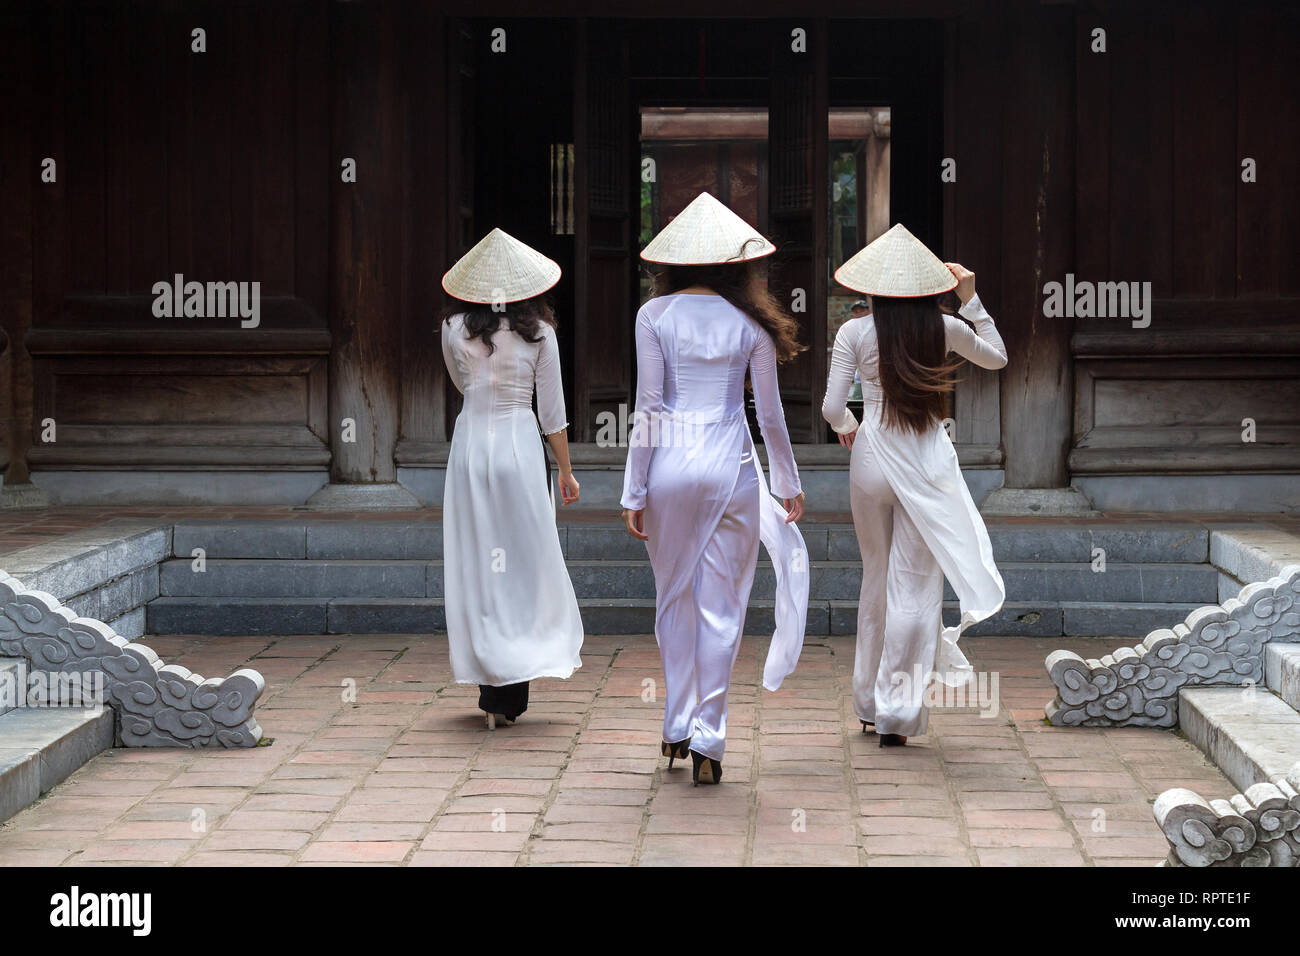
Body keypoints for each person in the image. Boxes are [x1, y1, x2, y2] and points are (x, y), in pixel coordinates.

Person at [621, 192, 809, 786]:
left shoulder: (654, 317)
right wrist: (787, 482)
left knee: (674, 598)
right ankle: (710, 739)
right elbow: (771, 418)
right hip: (732, 470)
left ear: (671, 262)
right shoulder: (751, 325)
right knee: (722, 609)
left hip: (671, 470)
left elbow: (649, 406)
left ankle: (675, 725)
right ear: (739, 267)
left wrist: (633, 489)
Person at [821, 224, 1007, 747]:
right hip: (925, 457)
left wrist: (850, 431)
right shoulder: (944, 327)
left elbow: (833, 409)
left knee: (875, 577)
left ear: (872, 286)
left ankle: (866, 702)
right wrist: (970, 299)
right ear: (929, 284)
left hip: (870, 454)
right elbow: (998, 358)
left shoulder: (853, 332)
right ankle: (897, 715)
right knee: (916, 587)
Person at [440, 228, 584, 730]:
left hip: (471, 448)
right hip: (521, 449)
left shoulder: (454, 327)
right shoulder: (540, 333)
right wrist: (565, 470)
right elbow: (553, 413)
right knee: (523, 559)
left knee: (479, 559)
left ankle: (490, 678)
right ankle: (511, 684)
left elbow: (461, 383)